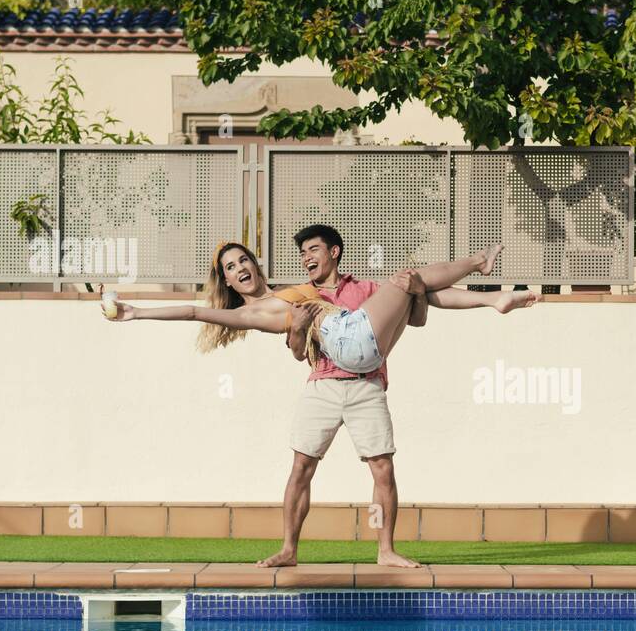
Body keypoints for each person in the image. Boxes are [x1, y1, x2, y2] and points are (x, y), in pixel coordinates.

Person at [105, 228, 537, 567]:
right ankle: (289, 548)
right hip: (327, 379)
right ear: (228, 280)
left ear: (256, 264)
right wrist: (135, 312)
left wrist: (410, 300)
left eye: (243, 260)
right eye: (230, 267)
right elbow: (199, 312)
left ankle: (385, 551)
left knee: (382, 466)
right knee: (301, 468)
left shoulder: (308, 291)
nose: (239, 268)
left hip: (365, 372)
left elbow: (421, 306)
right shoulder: (252, 312)